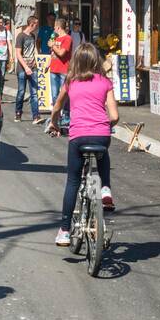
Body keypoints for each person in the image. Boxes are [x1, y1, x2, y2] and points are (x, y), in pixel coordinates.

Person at [47, 41, 117, 246]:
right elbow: (114, 115)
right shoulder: (105, 82)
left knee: (73, 181)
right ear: (97, 60)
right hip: (101, 136)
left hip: (78, 137)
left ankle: (65, 231)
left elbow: (57, 107)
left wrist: (54, 124)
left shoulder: (71, 81)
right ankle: (104, 189)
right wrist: (104, 123)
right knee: (102, 152)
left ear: (76, 61)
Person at [14, 15, 42, 124]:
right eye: (36, 24)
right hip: (22, 68)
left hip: (33, 68)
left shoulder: (32, 36)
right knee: (21, 91)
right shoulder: (21, 36)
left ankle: (36, 116)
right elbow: (18, 53)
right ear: (31, 24)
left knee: (34, 92)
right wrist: (26, 67)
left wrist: (37, 61)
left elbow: (34, 50)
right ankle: (18, 113)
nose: (37, 26)